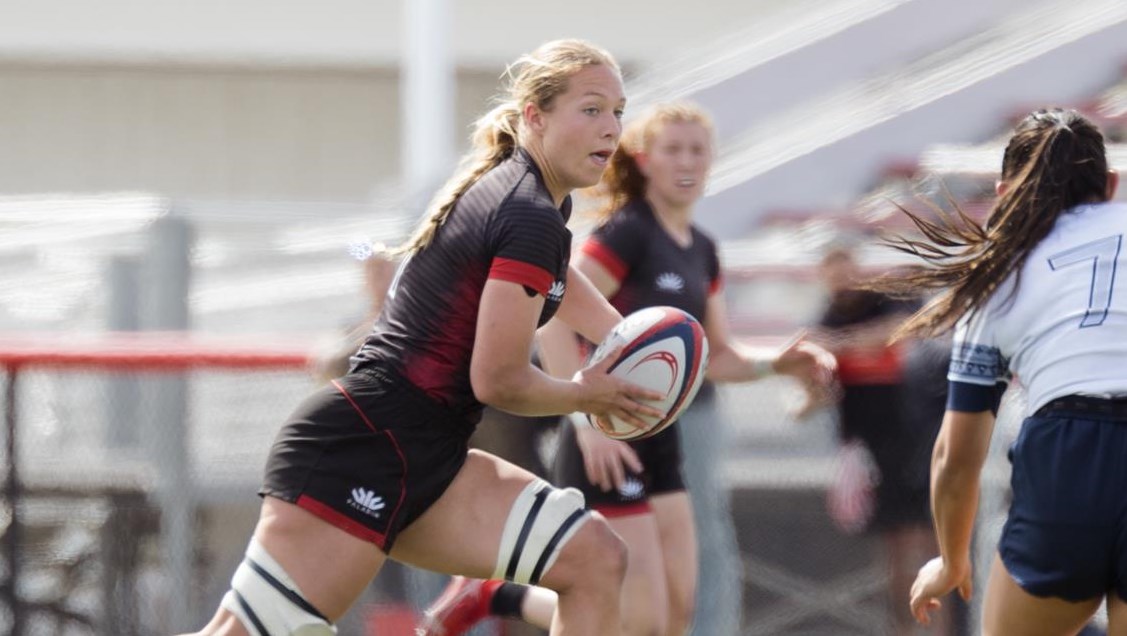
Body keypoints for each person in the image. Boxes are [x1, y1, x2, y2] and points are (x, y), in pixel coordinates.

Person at [183, 39, 669, 636]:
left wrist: (623, 338)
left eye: (619, 111)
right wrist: (588, 395)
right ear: (536, 117)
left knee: (594, 557)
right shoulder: (528, 213)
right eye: (592, 109)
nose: (611, 128)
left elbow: (559, 279)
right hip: (362, 448)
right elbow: (498, 380)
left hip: (429, 457)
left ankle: (484, 597)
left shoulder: (534, 203)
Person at [419, 101, 835, 636]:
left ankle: (498, 592)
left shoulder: (703, 249)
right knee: (635, 621)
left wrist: (777, 363)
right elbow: (551, 310)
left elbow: (718, 356)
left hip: (661, 438)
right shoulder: (627, 234)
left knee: (675, 615)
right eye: (673, 149)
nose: (687, 161)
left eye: (698, 150)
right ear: (643, 161)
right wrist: (582, 422)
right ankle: (500, 593)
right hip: (608, 436)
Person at [874, 108, 1126, 634]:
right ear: (1111, 184)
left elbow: (956, 454)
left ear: (1004, 191)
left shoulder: (999, 276)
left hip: (1068, 454)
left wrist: (951, 559)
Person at [812, 246, 954, 634]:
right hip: (876, 450)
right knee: (899, 548)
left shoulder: (883, 300)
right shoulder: (829, 314)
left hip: (915, 438)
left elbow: (901, 329)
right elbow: (818, 350)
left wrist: (846, 342)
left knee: (931, 545)